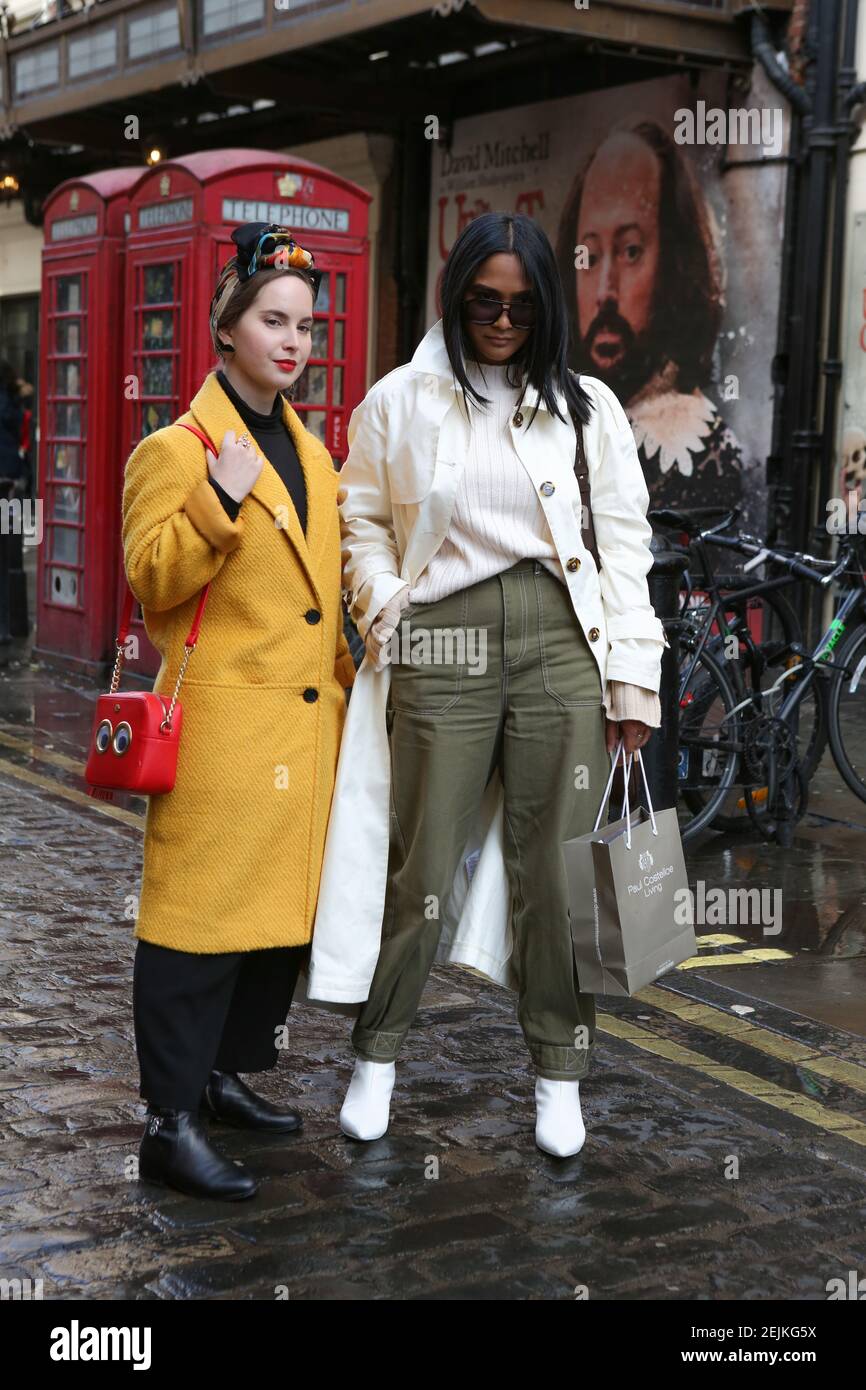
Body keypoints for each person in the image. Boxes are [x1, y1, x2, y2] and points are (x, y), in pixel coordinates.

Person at [307, 212, 667, 1158]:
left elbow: (625, 547)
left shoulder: (590, 407)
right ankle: (376, 1056)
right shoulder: (398, 401)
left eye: (521, 303)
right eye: (483, 301)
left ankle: (559, 1074)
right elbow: (362, 520)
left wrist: (633, 678)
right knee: (421, 863)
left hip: (561, 641)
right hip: (444, 640)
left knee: (559, 874)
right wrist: (388, 608)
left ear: (546, 303)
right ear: (457, 294)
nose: (502, 320)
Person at [121, 224, 356, 1200]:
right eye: (273, 320)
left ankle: (219, 1081)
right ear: (226, 328)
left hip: (302, 736)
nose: (294, 341)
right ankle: (168, 1125)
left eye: (305, 324)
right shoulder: (175, 448)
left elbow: (324, 592)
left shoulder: (313, 453)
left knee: (270, 931)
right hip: (219, 735)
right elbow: (147, 580)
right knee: (193, 932)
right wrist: (215, 508)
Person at [555, 118, 744, 512]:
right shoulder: (556, 411)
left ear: (675, 263)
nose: (605, 292)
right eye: (588, 256)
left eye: (631, 252)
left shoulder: (698, 450)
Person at [0, 361, 24, 645]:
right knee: (8, 548)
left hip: (8, 478)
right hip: (9, 478)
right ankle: (6, 625)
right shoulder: (10, 402)